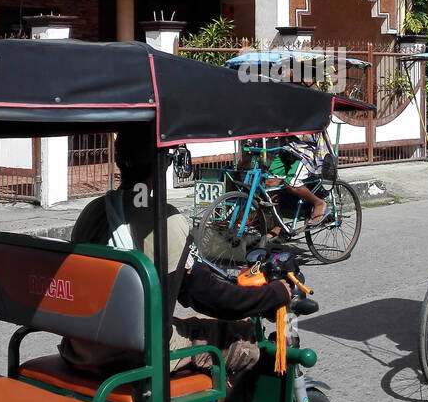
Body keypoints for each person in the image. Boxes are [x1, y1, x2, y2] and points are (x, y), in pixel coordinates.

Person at [64, 125, 314, 382]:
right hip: (136, 351)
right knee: (242, 336)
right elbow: (207, 296)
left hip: (85, 345)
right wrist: (275, 293)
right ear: (162, 164)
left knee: (195, 322)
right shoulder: (164, 220)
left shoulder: (93, 212)